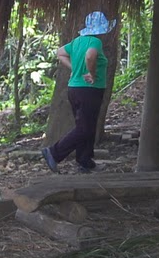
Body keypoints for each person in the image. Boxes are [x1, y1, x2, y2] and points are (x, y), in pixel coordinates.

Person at [42, 11, 116, 174]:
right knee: (85, 128)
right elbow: (90, 56)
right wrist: (92, 73)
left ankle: (85, 161)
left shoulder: (76, 41)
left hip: (74, 89)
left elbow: (60, 52)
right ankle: (54, 152)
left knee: (86, 126)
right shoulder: (95, 42)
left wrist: (74, 68)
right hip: (89, 90)